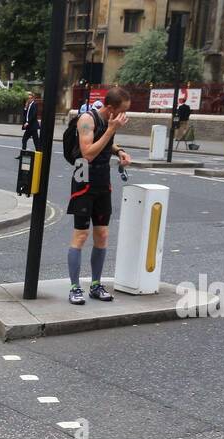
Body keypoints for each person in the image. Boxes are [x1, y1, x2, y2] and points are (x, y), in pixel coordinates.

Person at [66, 86, 131, 306]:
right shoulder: (87, 119)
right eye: (121, 111)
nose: (124, 116)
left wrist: (119, 151)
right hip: (83, 178)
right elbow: (88, 153)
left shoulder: (110, 121)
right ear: (110, 108)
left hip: (103, 180)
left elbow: (106, 143)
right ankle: (75, 288)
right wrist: (112, 130)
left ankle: (95, 285)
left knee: (102, 235)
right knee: (81, 235)